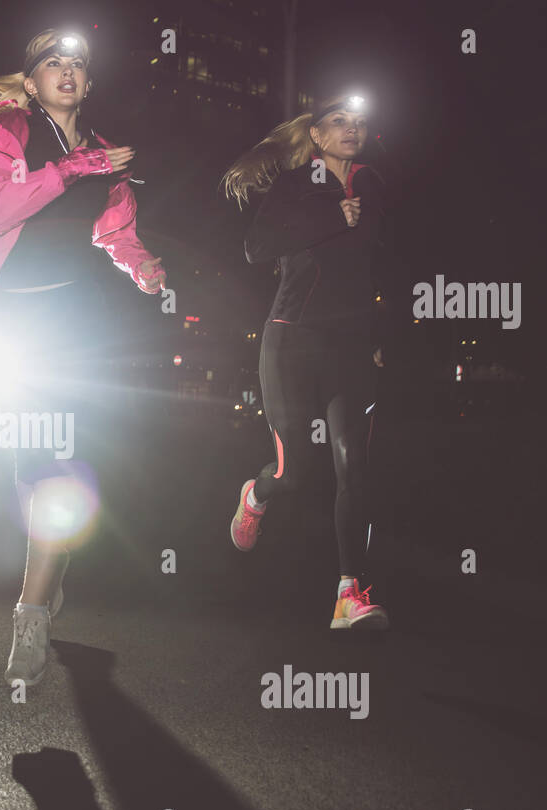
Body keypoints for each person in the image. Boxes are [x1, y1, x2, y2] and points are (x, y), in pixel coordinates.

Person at [0, 28, 166, 685]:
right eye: (51, 62)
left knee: (61, 470)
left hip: (79, 327)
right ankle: (50, 569)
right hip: (16, 319)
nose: (65, 70)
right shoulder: (11, 126)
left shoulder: (104, 154)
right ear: (32, 80)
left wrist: (143, 264)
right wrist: (71, 170)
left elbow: (114, 230)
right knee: (33, 473)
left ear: (88, 85)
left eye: (76, 63)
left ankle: (30, 613)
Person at [222, 91, 392, 630]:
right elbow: (257, 247)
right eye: (339, 120)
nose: (351, 128)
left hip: (351, 343)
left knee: (354, 468)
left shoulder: (374, 186)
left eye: (359, 121)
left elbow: (383, 261)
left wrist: (380, 332)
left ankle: (350, 596)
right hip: (292, 335)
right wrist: (330, 220)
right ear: (317, 135)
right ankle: (258, 493)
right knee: (294, 470)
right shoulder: (296, 183)